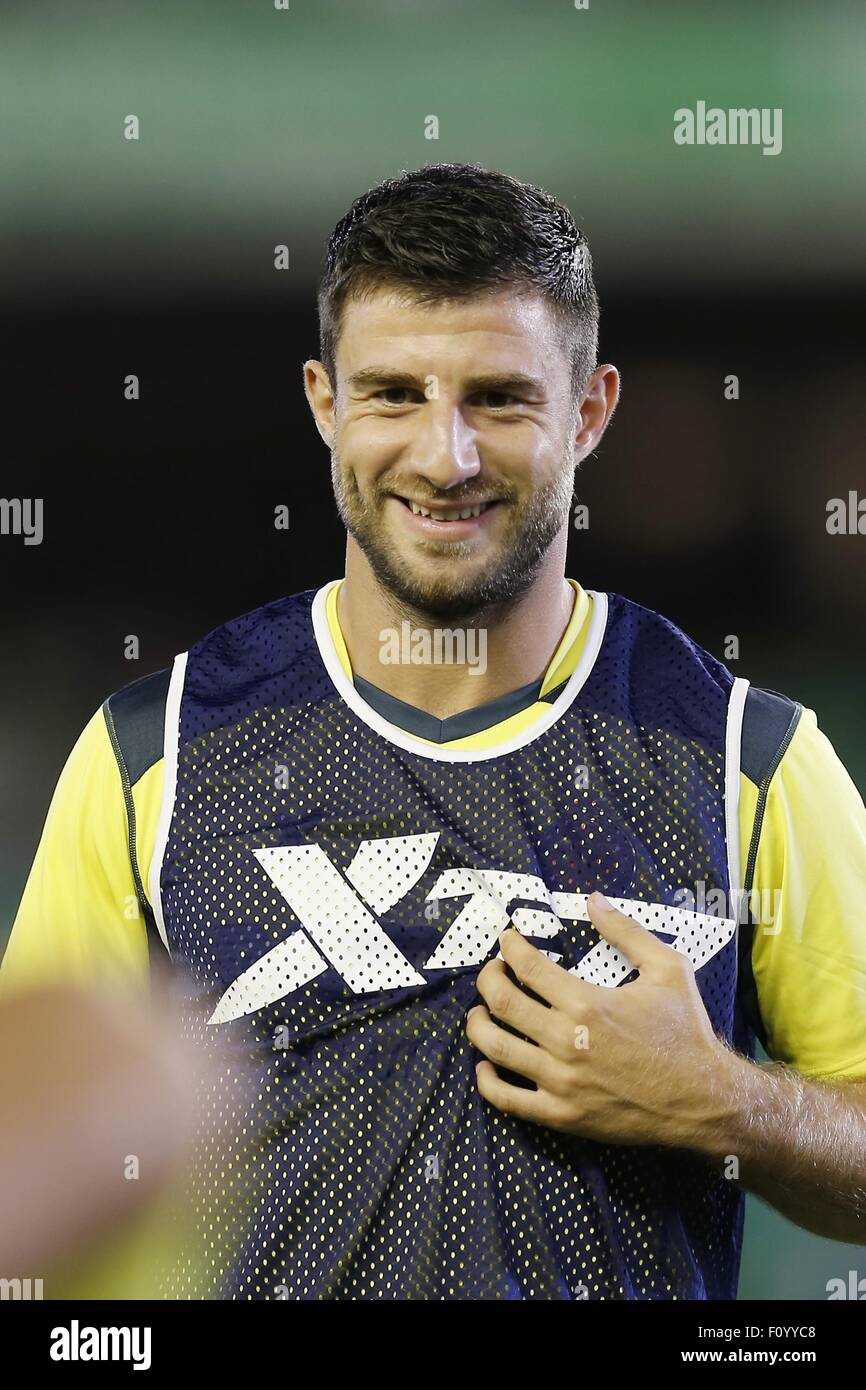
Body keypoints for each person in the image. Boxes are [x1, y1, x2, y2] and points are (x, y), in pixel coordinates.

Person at [3, 162, 866, 1300]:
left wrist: (724, 1103)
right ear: (324, 404)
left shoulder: (745, 759)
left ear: (588, 411)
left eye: (497, 399)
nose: (443, 456)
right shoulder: (151, 755)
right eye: (393, 393)